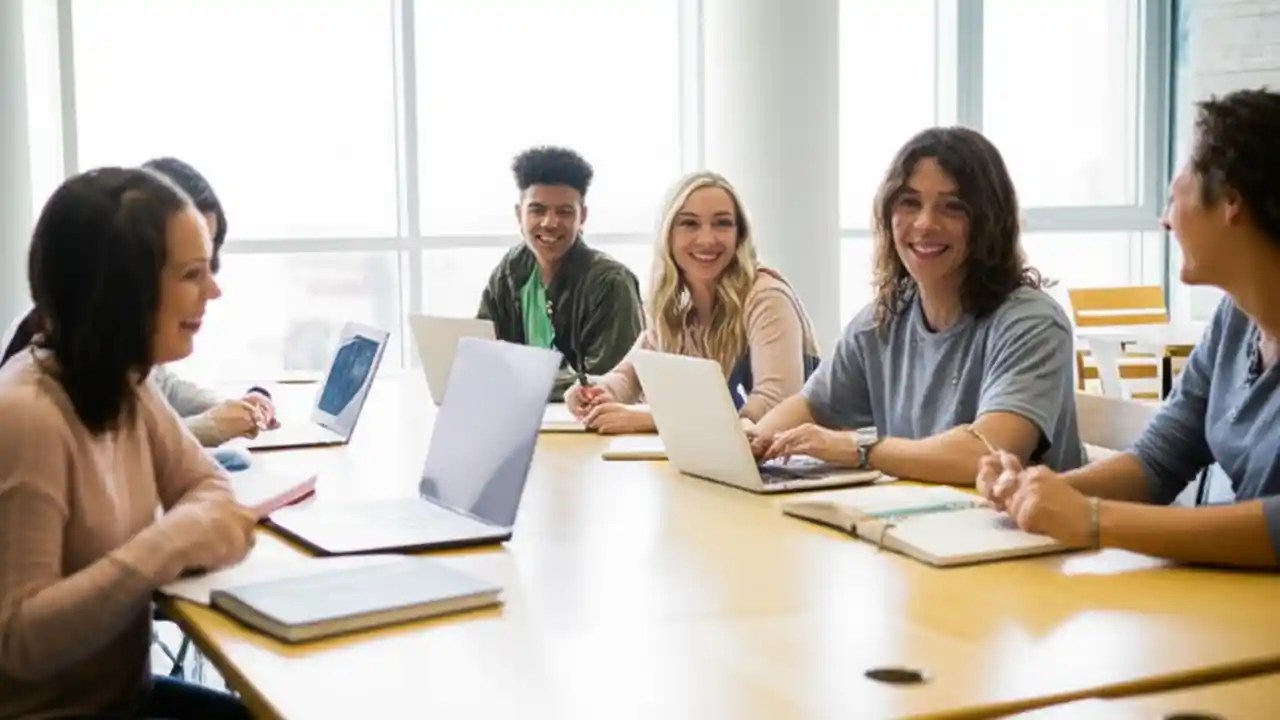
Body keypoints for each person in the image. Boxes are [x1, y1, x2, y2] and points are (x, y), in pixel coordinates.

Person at [979, 89, 1280, 569]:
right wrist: (1034, 491)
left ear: (1231, 202)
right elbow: (1157, 463)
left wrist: (1096, 520)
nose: (1166, 217)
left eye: (1180, 180)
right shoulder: (1234, 321)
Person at [0, 167, 257, 717]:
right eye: (193, 274)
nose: (213, 290)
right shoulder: (27, 416)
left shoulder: (126, 383)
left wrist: (191, 531)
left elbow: (213, 491)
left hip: (123, 699)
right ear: (126, 293)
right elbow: (17, 642)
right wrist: (173, 542)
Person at [750, 126, 1085, 485]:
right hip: (917, 525)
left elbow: (985, 455)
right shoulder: (881, 321)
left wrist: (859, 449)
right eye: (909, 203)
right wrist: (752, 443)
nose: (925, 224)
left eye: (952, 208)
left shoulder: (1032, 324)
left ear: (989, 222)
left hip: (1016, 535)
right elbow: (811, 408)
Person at [1, 157, 277, 446]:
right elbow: (116, 447)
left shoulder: (130, 369)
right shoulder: (37, 403)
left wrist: (233, 409)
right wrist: (212, 426)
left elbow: (161, 390)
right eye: (190, 269)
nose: (211, 288)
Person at [564, 171, 821, 434]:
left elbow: (775, 406)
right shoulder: (677, 305)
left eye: (722, 223)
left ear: (739, 235)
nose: (707, 239)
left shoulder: (766, 298)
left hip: (791, 465)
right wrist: (596, 392)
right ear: (668, 234)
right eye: (689, 224)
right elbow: (628, 377)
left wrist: (652, 420)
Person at [478, 146, 645, 400]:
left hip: (593, 428)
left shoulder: (610, 283)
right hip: (524, 418)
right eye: (537, 210)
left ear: (583, 216)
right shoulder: (510, 271)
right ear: (518, 214)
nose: (550, 223)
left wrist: (514, 379)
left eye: (564, 212)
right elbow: (483, 356)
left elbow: (603, 383)